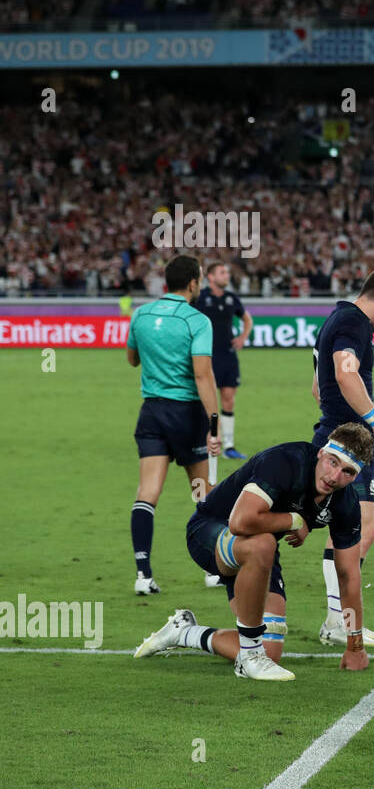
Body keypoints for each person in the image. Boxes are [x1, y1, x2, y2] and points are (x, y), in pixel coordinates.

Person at [132, 423, 374, 680]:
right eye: (332, 462)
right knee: (262, 544)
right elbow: (240, 522)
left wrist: (355, 645)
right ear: (321, 453)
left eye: (347, 472)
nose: (335, 476)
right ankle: (247, 659)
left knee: (269, 652)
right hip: (210, 531)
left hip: (259, 551)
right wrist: (294, 520)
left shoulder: (345, 503)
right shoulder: (285, 461)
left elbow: (349, 575)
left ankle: (183, 632)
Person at [311, 268, 374, 647]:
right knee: (359, 530)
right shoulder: (355, 323)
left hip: (338, 433)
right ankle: (336, 621)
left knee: (347, 530)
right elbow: (343, 372)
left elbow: (317, 383)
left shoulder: (337, 318)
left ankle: (338, 619)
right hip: (349, 440)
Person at [126, 255, 221, 595]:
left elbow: (132, 359)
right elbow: (202, 374)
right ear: (194, 283)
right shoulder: (197, 321)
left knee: (147, 493)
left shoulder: (141, 314)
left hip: (152, 414)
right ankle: (213, 569)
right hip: (187, 416)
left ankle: (143, 574)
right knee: (203, 493)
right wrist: (215, 423)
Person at [197, 261, 253, 460]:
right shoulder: (200, 297)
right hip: (205, 356)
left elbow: (247, 319)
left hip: (228, 356)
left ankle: (228, 446)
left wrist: (243, 337)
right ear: (210, 277)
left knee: (228, 399)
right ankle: (207, 441)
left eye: (227, 272)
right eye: (222, 272)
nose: (226, 275)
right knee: (206, 401)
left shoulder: (231, 298)